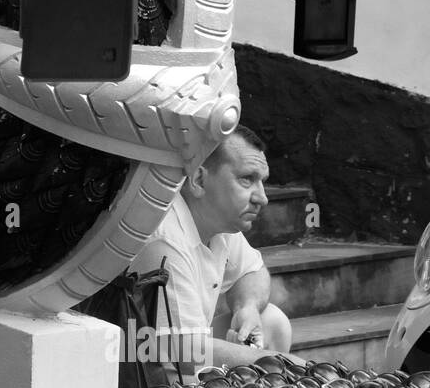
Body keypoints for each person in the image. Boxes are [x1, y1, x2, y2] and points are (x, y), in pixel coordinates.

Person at [129, 125, 301, 373]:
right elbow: (185, 351)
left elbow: (253, 272)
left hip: (178, 353)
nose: (262, 197)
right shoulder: (165, 241)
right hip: (140, 369)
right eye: (246, 179)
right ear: (199, 179)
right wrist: (279, 363)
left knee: (270, 321)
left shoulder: (218, 221)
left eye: (261, 182)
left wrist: (247, 307)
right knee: (276, 364)